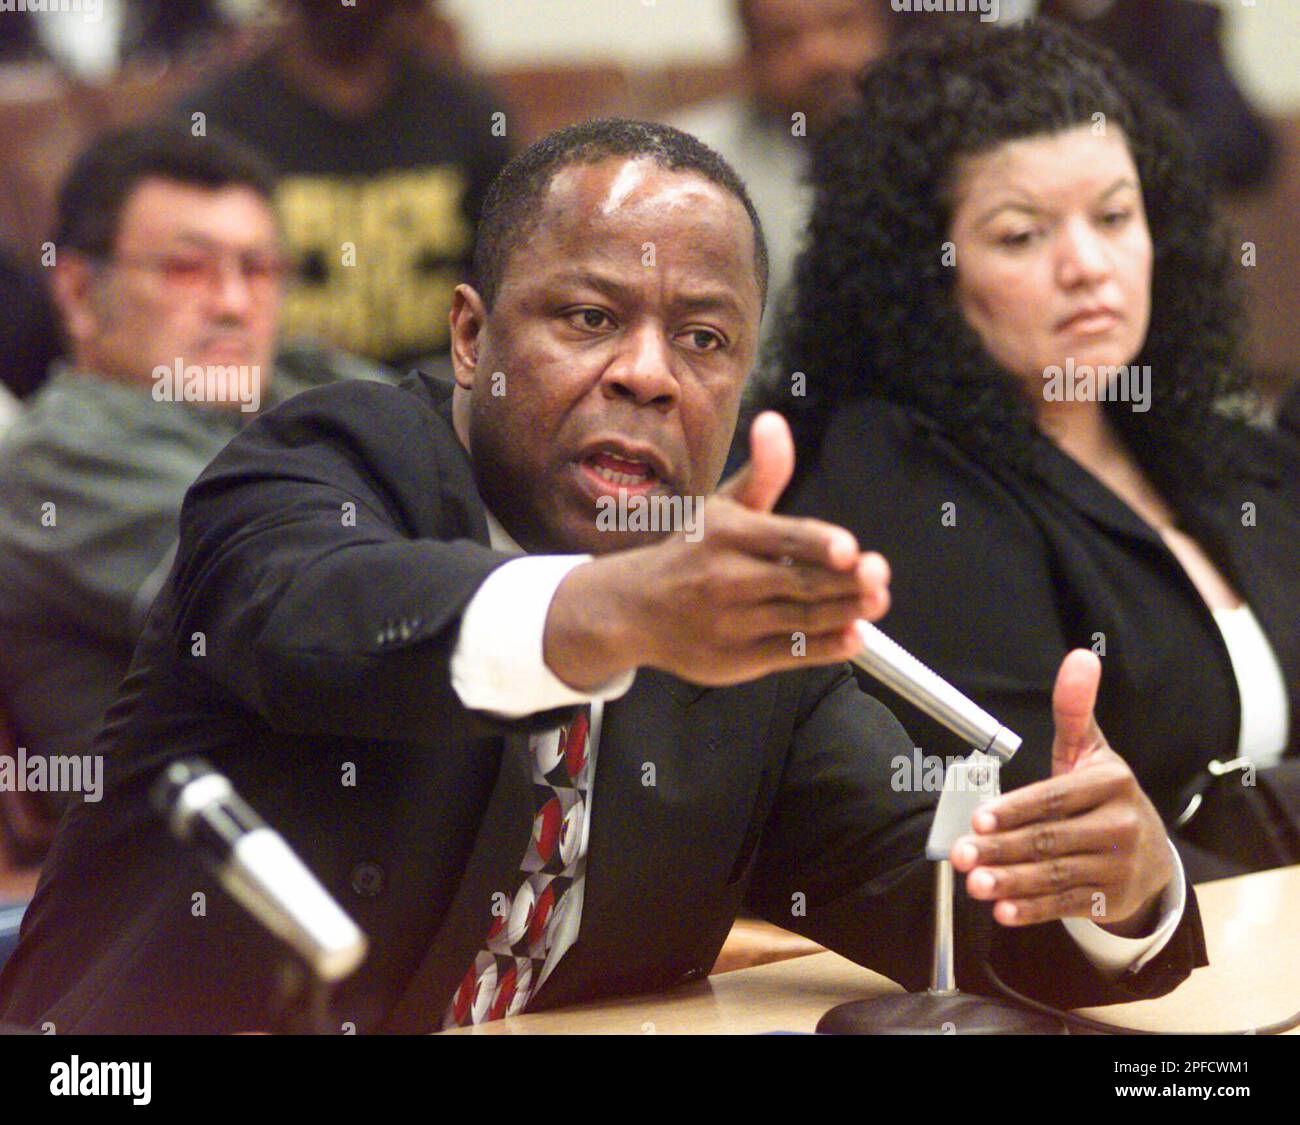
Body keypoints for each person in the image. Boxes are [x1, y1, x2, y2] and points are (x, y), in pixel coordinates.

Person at [0, 120, 1204, 1034]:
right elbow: (313, 626)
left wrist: (1113, 887)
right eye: (586, 317)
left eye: (702, 340)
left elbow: (936, 908)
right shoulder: (325, 462)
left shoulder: (739, 637)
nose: (647, 375)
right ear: (471, 338)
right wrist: (606, 614)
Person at [768, 22, 1299, 881]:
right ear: (923, 272)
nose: (1089, 264)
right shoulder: (898, 481)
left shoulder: (1211, 447)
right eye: (1022, 235)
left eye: (1116, 216)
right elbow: (1022, 835)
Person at [0, 122, 393, 838]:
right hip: (199, 882)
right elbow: (315, 607)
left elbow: (491, 474)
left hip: (374, 815)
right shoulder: (56, 460)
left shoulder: (307, 377)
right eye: (188, 269)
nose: (234, 303)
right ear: (82, 291)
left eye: (260, 268)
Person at [182, 0, 511, 371]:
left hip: (438, 397)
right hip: (274, 403)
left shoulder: (469, 113)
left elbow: (507, 274)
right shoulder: (214, 122)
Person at [671, 0, 890, 382]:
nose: (820, 56)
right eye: (786, 37)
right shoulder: (686, 166)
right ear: (750, 54)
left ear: (882, 29)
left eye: (842, 24)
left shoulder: (952, 150)